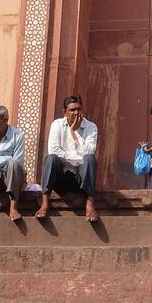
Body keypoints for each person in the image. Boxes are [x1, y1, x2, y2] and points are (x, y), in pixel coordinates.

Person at [36, 95, 98, 223]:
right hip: (61, 175)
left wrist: (74, 132)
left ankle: (90, 203)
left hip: (80, 178)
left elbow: (89, 151)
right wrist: (76, 158)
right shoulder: (57, 125)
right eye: (72, 110)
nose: (76, 113)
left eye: (79, 109)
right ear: (64, 112)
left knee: (90, 159)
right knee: (51, 158)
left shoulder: (91, 127)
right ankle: (45, 203)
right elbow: (53, 151)